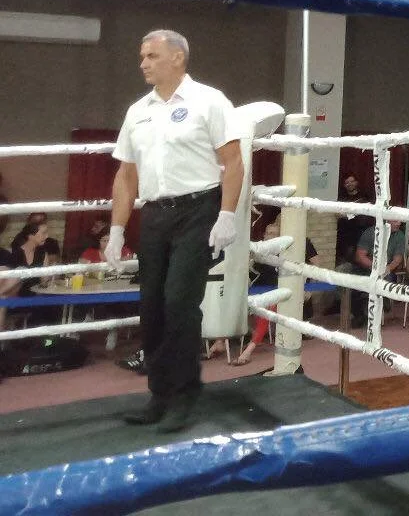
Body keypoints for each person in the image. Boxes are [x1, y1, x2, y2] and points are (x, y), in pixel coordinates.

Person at [106, 29, 245, 433]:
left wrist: (227, 215)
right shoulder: (138, 111)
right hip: (155, 214)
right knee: (151, 306)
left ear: (178, 58)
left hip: (198, 209)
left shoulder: (209, 101)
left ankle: (184, 395)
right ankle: (159, 394)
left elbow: (233, 163)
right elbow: (126, 174)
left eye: (151, 55)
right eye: (141, 56)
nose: (143, 63)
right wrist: (117, 228)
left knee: (180, 303)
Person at [232, 220, 320, 366]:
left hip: (279, 295)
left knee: (268, 308)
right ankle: (221, 341)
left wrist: (307, 288)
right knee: (231, 301)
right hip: (258, 291)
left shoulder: (289, 254)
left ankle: (248, 350)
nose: (270, 236)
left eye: (274, 234)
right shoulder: (258, 252)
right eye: (268, 233)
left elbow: (306, 271)